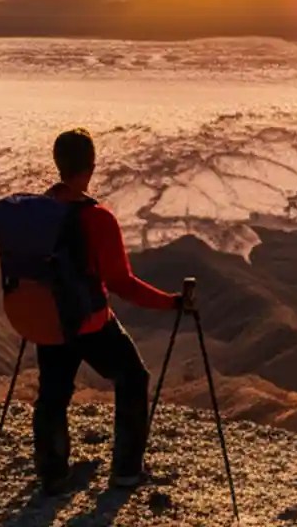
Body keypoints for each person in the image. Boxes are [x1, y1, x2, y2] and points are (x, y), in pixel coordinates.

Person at [35, 127, 190, 494]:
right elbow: (123, 284)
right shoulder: (98, 218)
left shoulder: (36, 211)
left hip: (48, 320)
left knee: (53, 393)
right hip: (89, 322)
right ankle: (125, 470)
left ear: (58, 163)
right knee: (133, 377)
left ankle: (53, 475)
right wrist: (171, 302)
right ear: (90, 167)